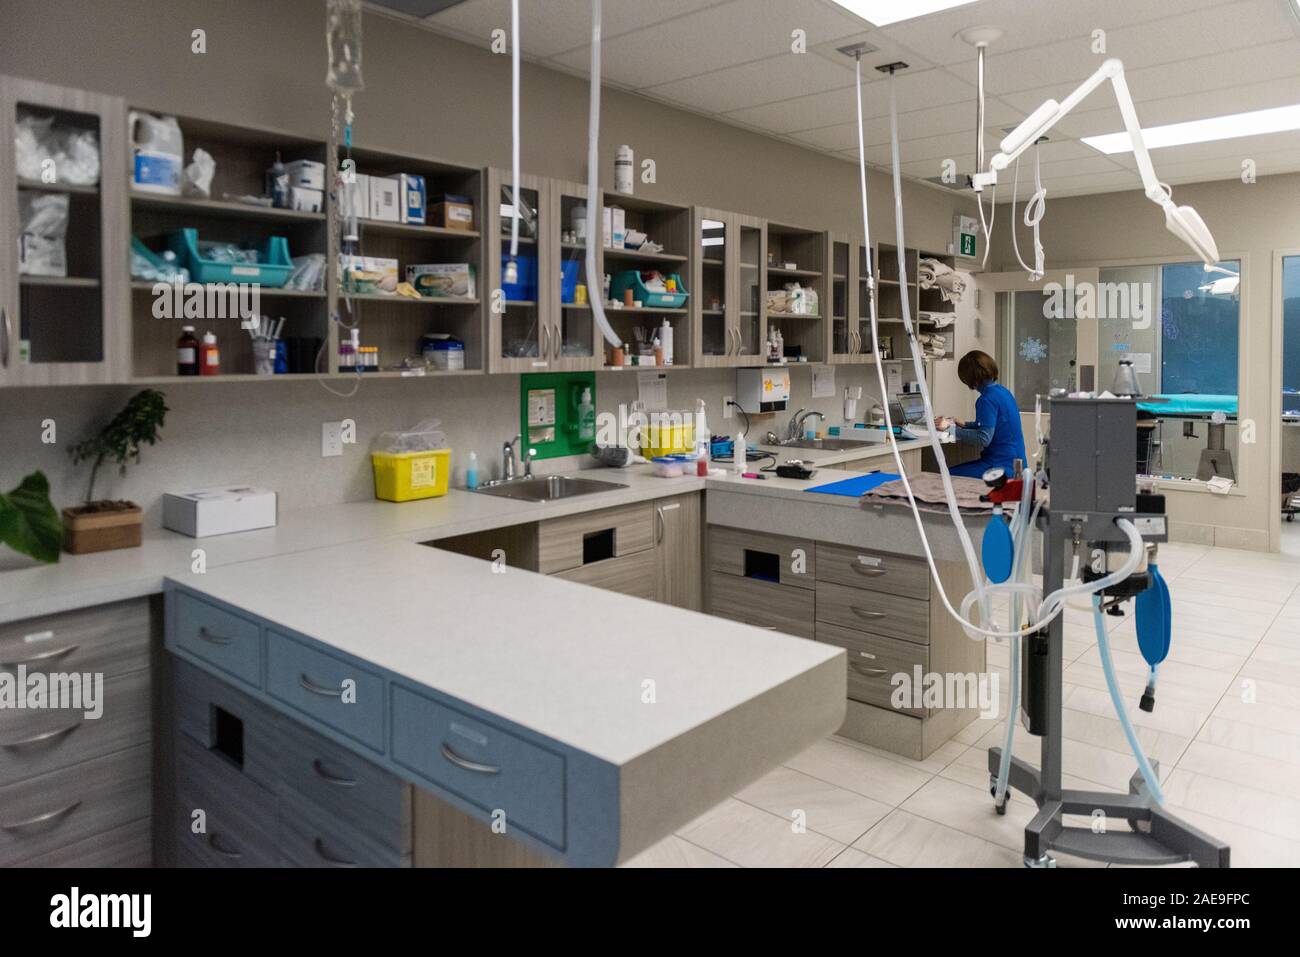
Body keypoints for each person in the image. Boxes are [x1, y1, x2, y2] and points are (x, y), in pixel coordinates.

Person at [936, 350, 1026, 479]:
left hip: (999, 466)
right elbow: (995, 426)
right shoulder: (1003, 392)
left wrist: (949, 428)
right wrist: (965, 424)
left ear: (972, 379)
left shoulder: (986, 400)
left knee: (943, 476)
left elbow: (983, 438)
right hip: (1017, 464)